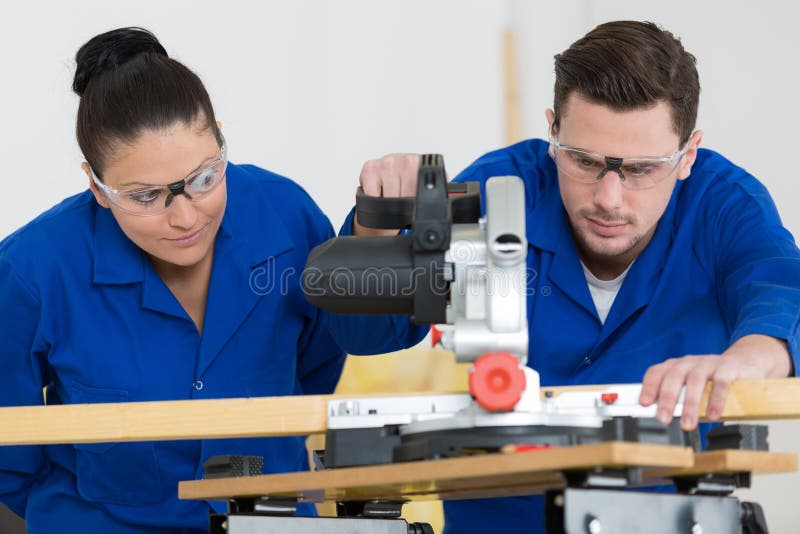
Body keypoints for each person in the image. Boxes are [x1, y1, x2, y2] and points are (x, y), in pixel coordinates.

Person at [350, 20, 800, 534]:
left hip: (670, 517)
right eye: (584, 161)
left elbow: (780, 286)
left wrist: (751, 356)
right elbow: (365, 334)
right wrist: (376, 227)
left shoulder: (723, 206)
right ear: (553, 133)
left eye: (641, 169)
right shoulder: (498, 188)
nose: (609, 198)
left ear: (687, 155)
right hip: (501, 519)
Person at [0, 27, 420, 533]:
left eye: (203, 179)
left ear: (220, 139)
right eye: (145, 196)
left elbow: (327, 355)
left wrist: (377, 236)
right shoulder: (34, 270)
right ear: (97, 185)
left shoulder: (284, 218)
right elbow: (9, 454)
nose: (183, 218)